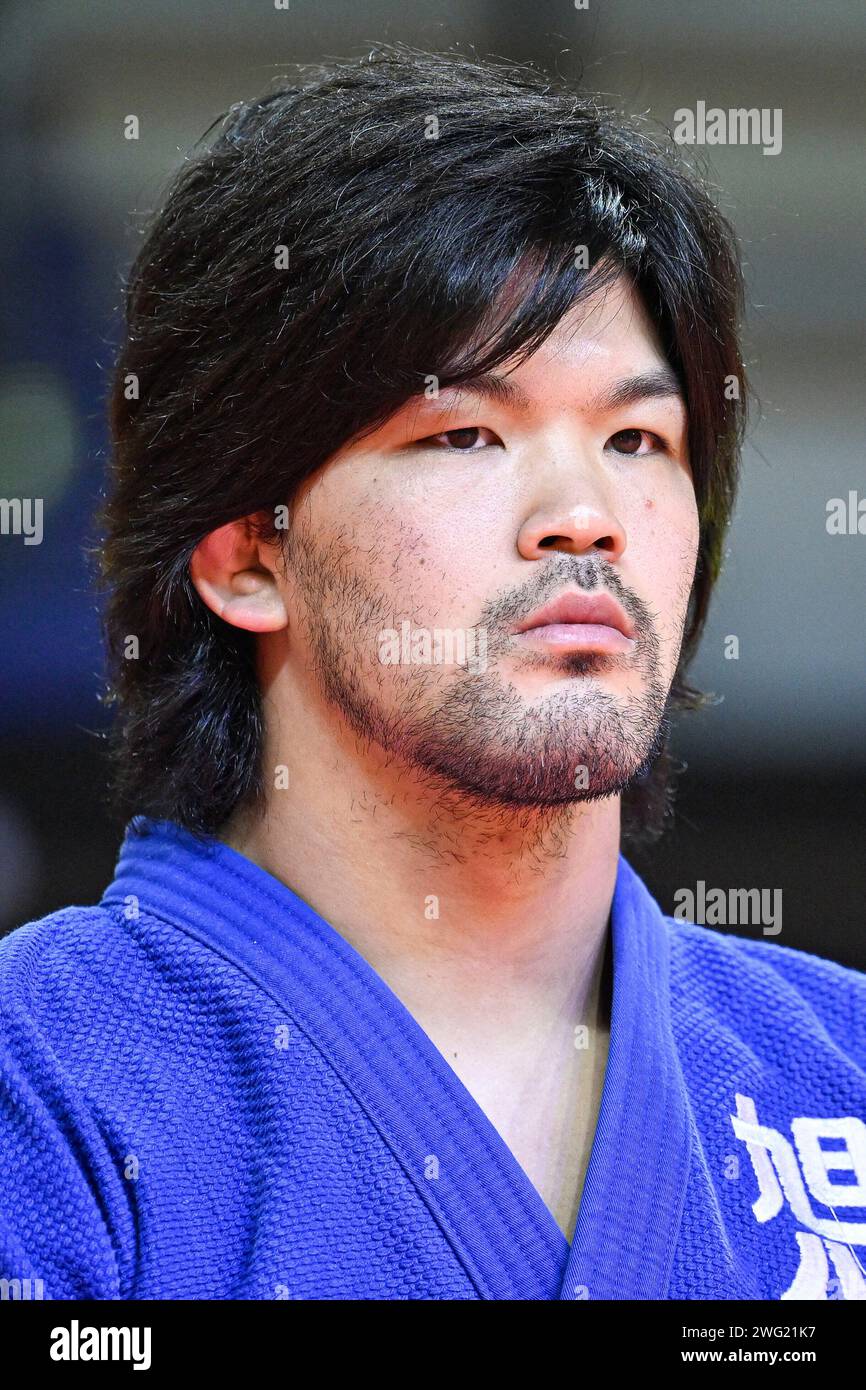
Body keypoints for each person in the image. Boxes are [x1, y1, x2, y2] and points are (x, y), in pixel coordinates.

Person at [1, 45, 864, 1302]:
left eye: (637, 436)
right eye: (464, 432)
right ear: (244, 554)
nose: (584, 513)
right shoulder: (43, 1078)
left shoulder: (836, 1072)